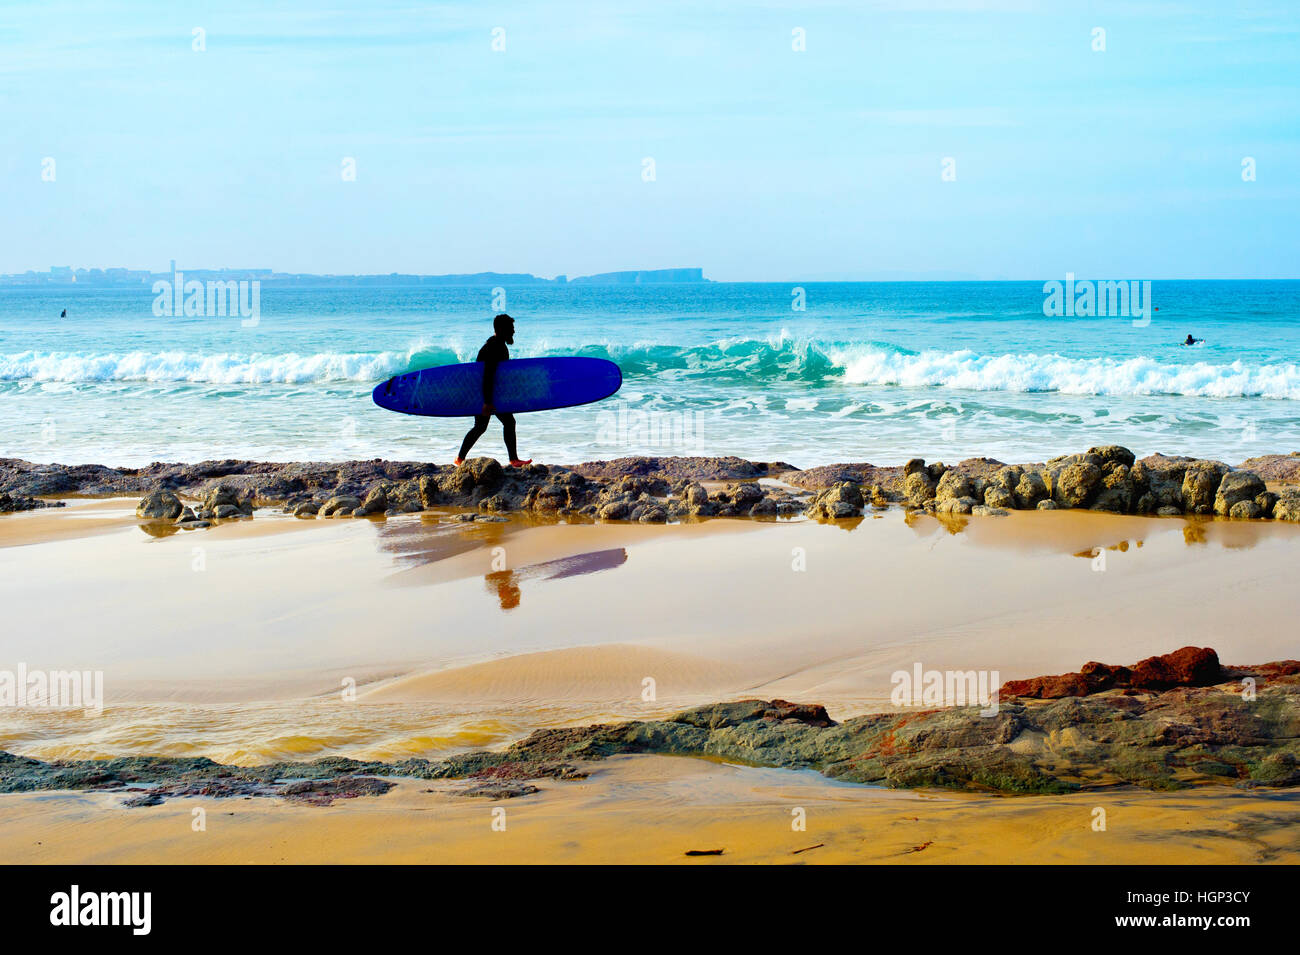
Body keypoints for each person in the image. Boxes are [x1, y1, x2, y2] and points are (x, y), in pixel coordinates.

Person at [455, 313, 532, 467]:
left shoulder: (496, 344)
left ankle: (460, 459)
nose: (514, 331)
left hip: (486, 393)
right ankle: (513, 459)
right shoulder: (495, 347)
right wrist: (487, 402)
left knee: (482, 426)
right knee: (505, 422)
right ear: (502, 329)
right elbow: (488, 375)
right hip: (485, 394)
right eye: (511, 328)